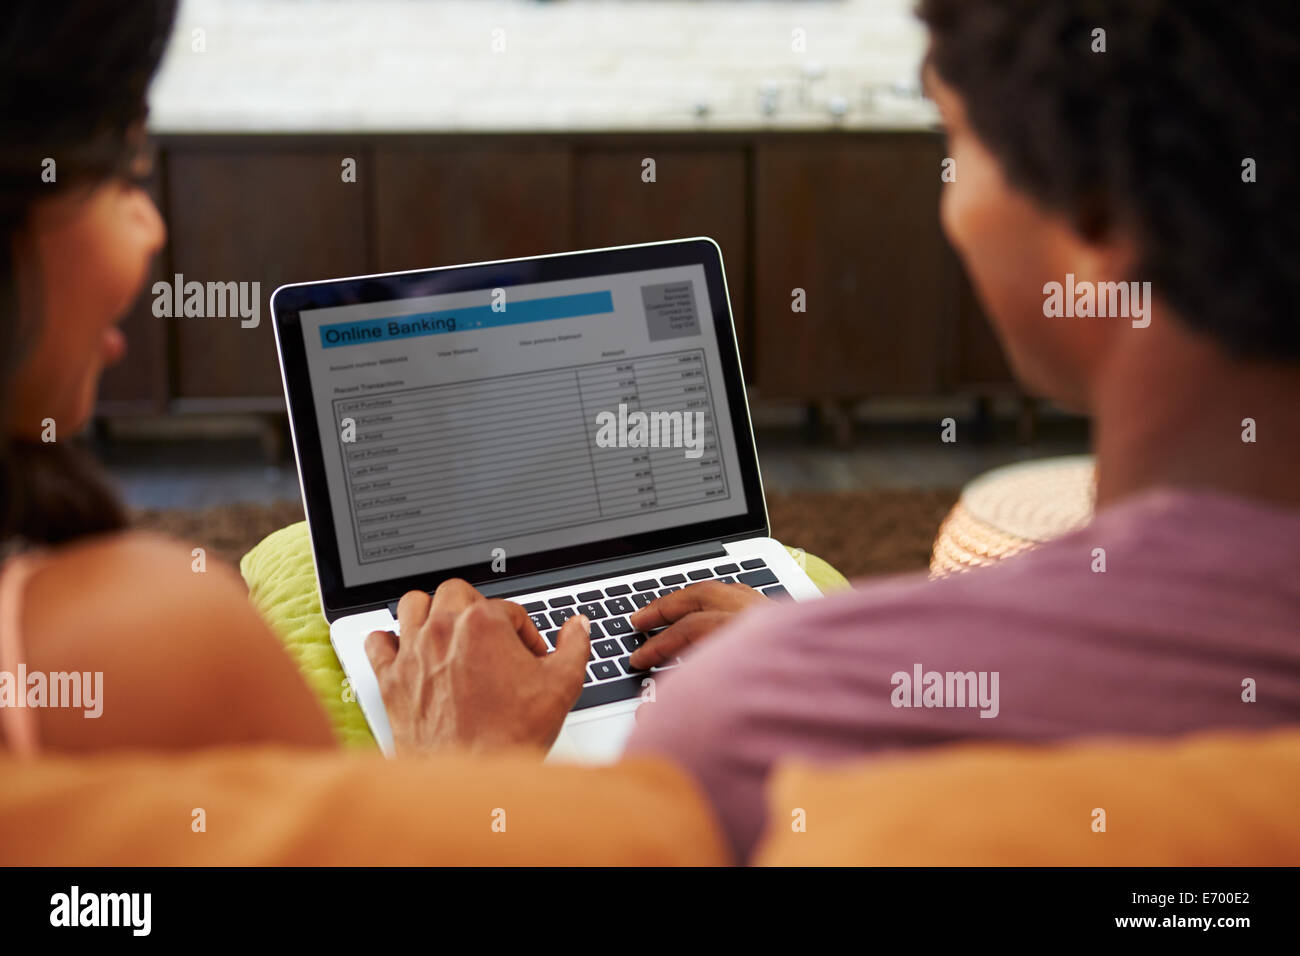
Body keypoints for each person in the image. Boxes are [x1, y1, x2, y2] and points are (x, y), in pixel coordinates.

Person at [370, 0, 1300, 861]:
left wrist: (459, 787)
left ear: (1094, 221)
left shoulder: (751, 734)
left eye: (954, 138)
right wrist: (851, 659)